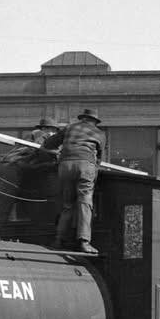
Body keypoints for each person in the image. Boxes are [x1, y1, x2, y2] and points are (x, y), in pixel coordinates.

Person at [54, 106, 105, 252]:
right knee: (84, 203)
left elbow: (50, 143)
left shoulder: (70, 128)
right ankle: (84, 241)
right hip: (85, 165)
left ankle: (58, 239)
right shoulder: (99, 133)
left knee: (67, 205)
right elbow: (99, 159)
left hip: (65, 166)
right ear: (95, 121)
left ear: (82, 118)